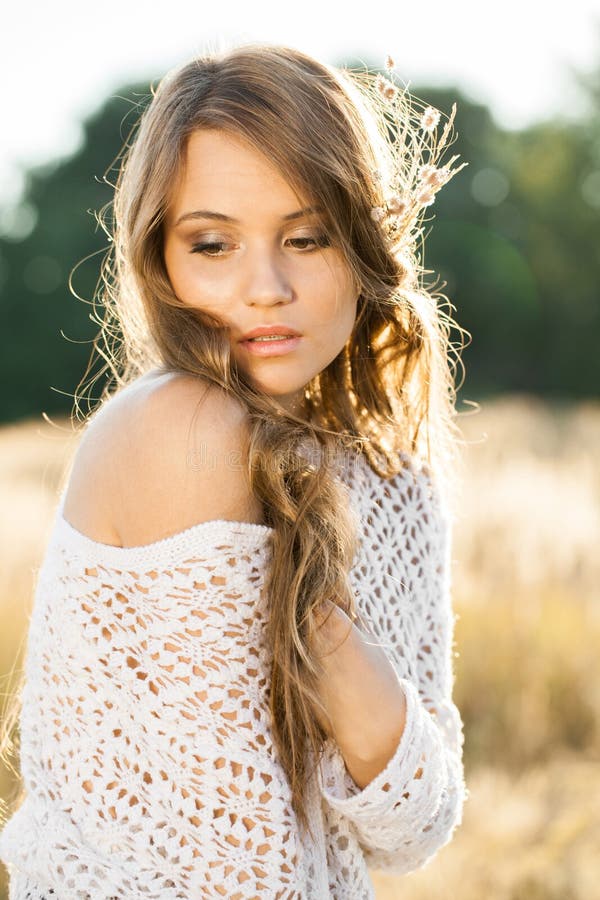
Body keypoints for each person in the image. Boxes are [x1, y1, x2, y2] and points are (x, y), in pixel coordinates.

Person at [0, 43, 470, 899]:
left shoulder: (391, 473)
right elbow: (236, 861)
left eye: (306, 236)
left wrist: (318, 619)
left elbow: (417, 825)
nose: (265, 287)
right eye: (213, 244)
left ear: (361, 244)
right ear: (162, 261)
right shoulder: (179, 427)